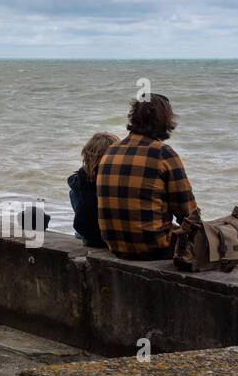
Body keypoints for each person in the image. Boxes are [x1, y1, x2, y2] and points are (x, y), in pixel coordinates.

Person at [96, 93, 198, 259]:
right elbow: (188, 213)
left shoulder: (111, 151)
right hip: (155, 248)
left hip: (115, 246)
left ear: (133, 117)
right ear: (165, 120)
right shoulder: (164, 153)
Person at [68, 132, 117, 247]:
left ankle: (84, 235)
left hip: (92, 236)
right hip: (116, 235)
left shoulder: (83, 177)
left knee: (73, 192)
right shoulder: (118, 177)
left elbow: (71, 181)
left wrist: (85, 171)